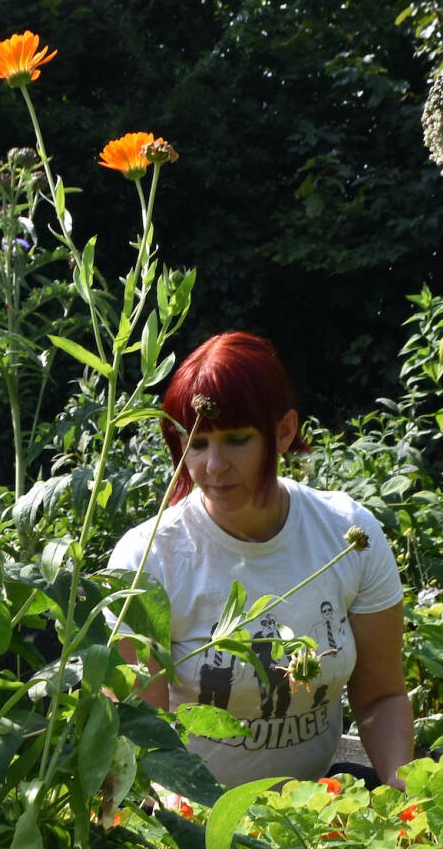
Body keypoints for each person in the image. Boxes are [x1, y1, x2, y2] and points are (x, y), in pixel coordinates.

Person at [109, 331, 412, 790]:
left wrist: (400, 799)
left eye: (236, 440)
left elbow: (382, 697)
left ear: (285, 431)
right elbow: (139, 731)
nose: (213, 466)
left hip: (315, 807)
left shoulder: (348, 534)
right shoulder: (150, 558)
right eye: (197, 443)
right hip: (190, 823)